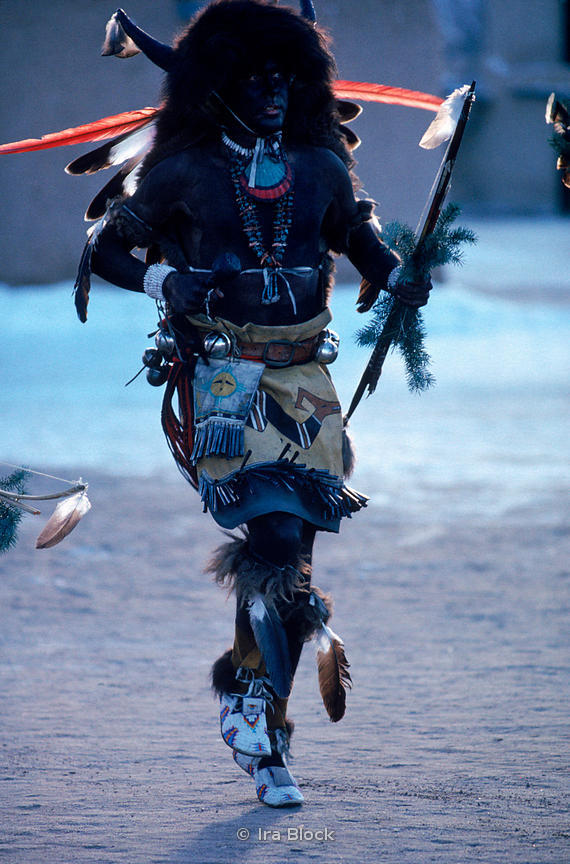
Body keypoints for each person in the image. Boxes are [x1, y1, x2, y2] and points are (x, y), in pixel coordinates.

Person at [87, 0, 431, 807]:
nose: (274, 92)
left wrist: (395, 275)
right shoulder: (184, 171)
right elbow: (105, 249)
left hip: (306, 377)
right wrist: (163, 280)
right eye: (255, 78)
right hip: (223, 377)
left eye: (285, 77)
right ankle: (254, 717)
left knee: (295, 562)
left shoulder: (318, 166)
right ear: (218, 86)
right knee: (273, 534)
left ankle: (265, 727)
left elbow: (356, 236)